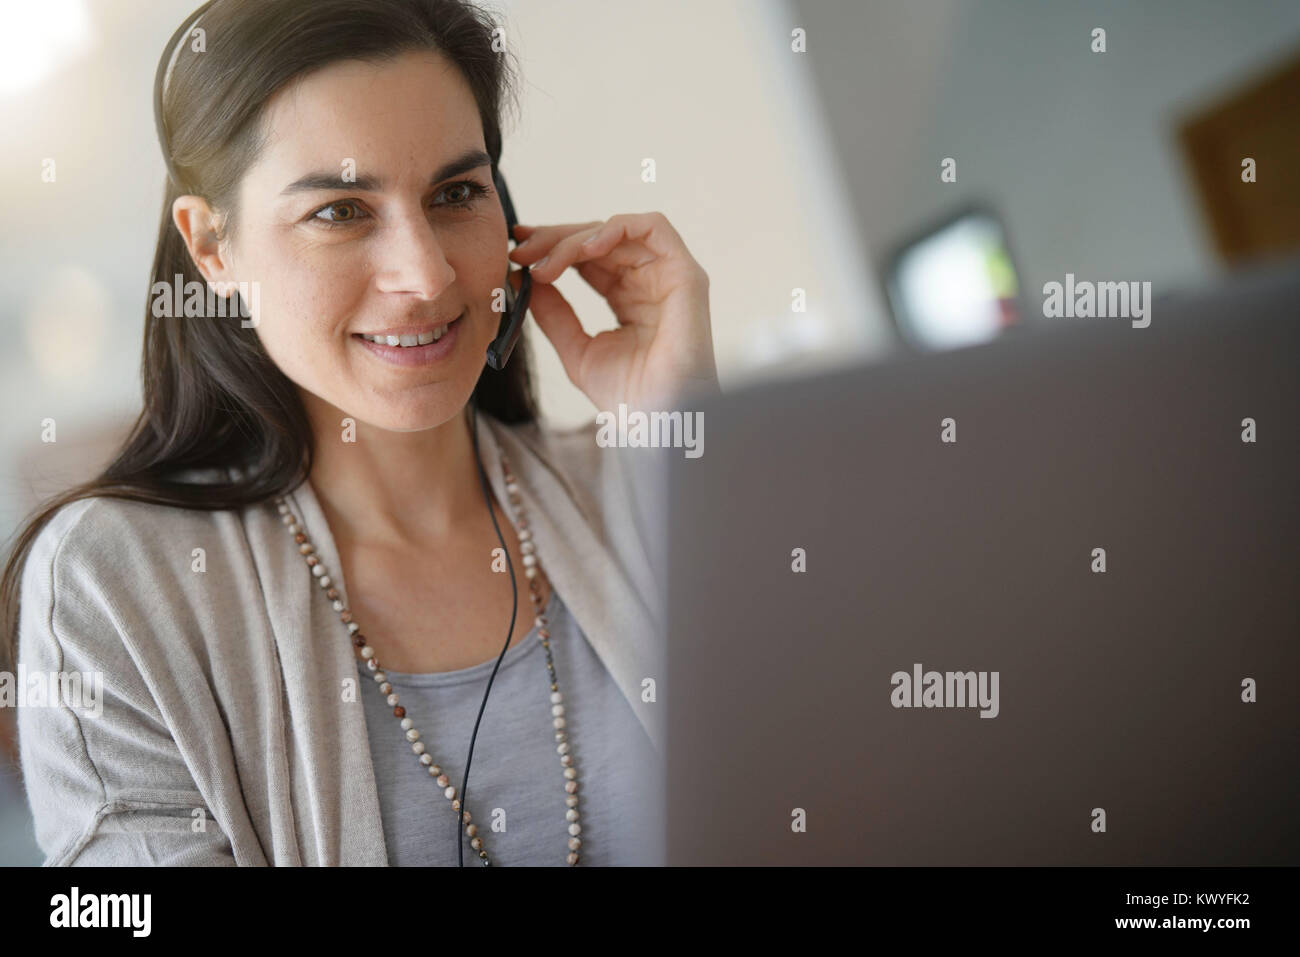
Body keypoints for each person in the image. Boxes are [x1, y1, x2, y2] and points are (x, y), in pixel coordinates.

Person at [0, 0, 718, 866]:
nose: (425, 274)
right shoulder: (114, 583)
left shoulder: (637, 486)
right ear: (214, 249)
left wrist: (691, 444)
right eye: (340, 211)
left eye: (456, 194)